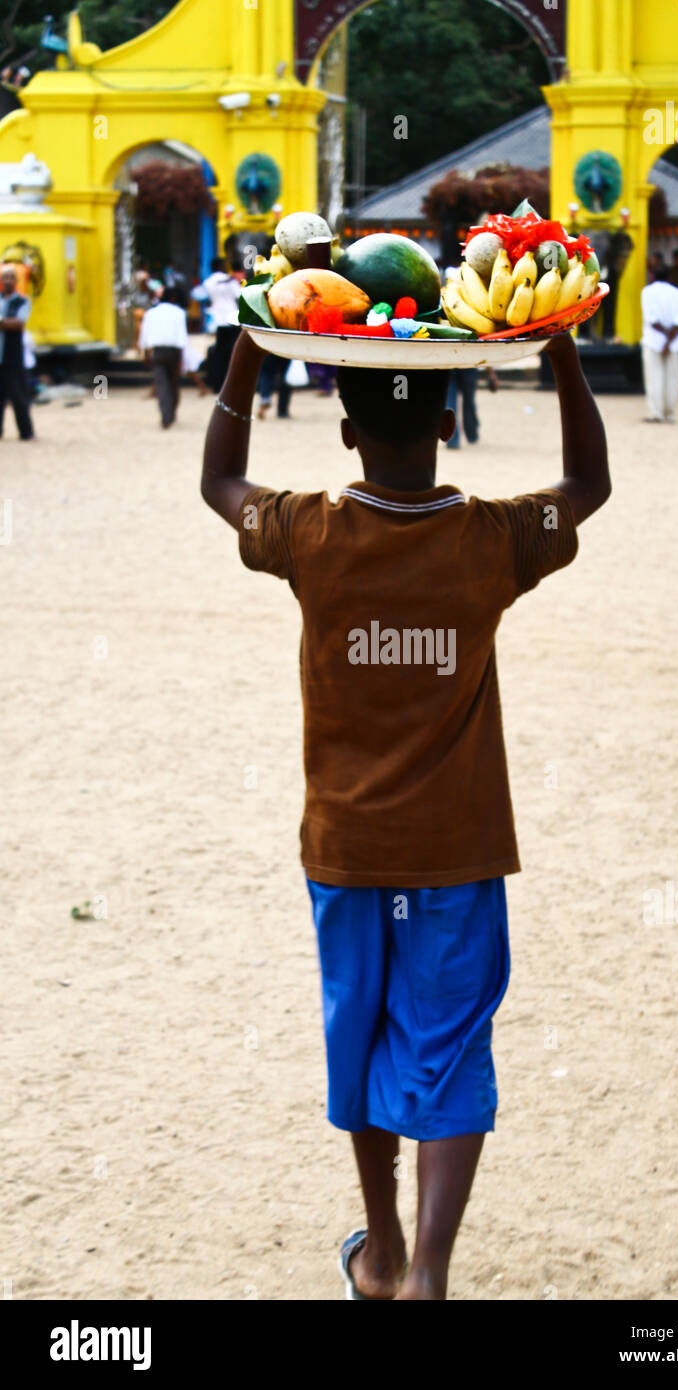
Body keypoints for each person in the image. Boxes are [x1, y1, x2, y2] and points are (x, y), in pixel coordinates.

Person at [200, 329, 611, 1300]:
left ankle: (381, 1254)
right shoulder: (491, 538)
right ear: (444, 420)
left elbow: (220, 480)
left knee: (365, 1042)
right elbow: (587, 484)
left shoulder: (309, 531)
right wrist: (562, 358)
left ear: (345, 433)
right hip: (458, 854)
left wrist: (251, 356)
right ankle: (430, 1272)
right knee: (451, 1047)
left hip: (345, 851)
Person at [641, 260, 678, 424]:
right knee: (672, 378)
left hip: (653, 340)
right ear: (669, 276)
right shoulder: (677, 293)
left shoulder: (647, 292)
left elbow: (651, 319)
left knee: (654, 377)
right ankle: (669, 412)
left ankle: (656, 412)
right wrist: (669, 340)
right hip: (673, 342)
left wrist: (664, 339)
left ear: (653, 275)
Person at [139, 284, 188, 428]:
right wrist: (181, 358)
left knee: (162, 385)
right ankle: (170, 411)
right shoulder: (178, 312)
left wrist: (146, 354)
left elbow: (145, 335)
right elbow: (182, 337)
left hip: (157, 351)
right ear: (173, 298)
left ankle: (166, 414)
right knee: (173, 383)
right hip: (174, 352)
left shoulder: (151, 313)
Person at [0, 263, 34, 441]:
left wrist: (3, 322)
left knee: (19, 396)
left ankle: (26, 432)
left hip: (12, 357)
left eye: (11, 277)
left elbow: (18, 323)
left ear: (16, 280)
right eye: (4, 277)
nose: (7, 281)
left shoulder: (22, 301)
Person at [202, 257, 241, 392]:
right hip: (232, 320)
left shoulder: (208, 282)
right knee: (234, 353)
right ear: (220, 266)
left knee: (220, 354)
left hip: (218, 321)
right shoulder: (230, 280)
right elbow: (239, 295)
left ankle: (218, 384)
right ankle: (233, 384)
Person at [446, 368, 479, 449]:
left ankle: (452, 439)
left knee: (450, 401)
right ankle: (472, 434)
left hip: (451, 365)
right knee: (469, 401)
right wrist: (491, 373)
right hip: (469, 364)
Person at [256, 354, 291, 420]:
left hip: (269, 348)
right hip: (286, 350)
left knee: (266, 373)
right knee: (285, 377)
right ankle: (282, 411)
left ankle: (265, 397)